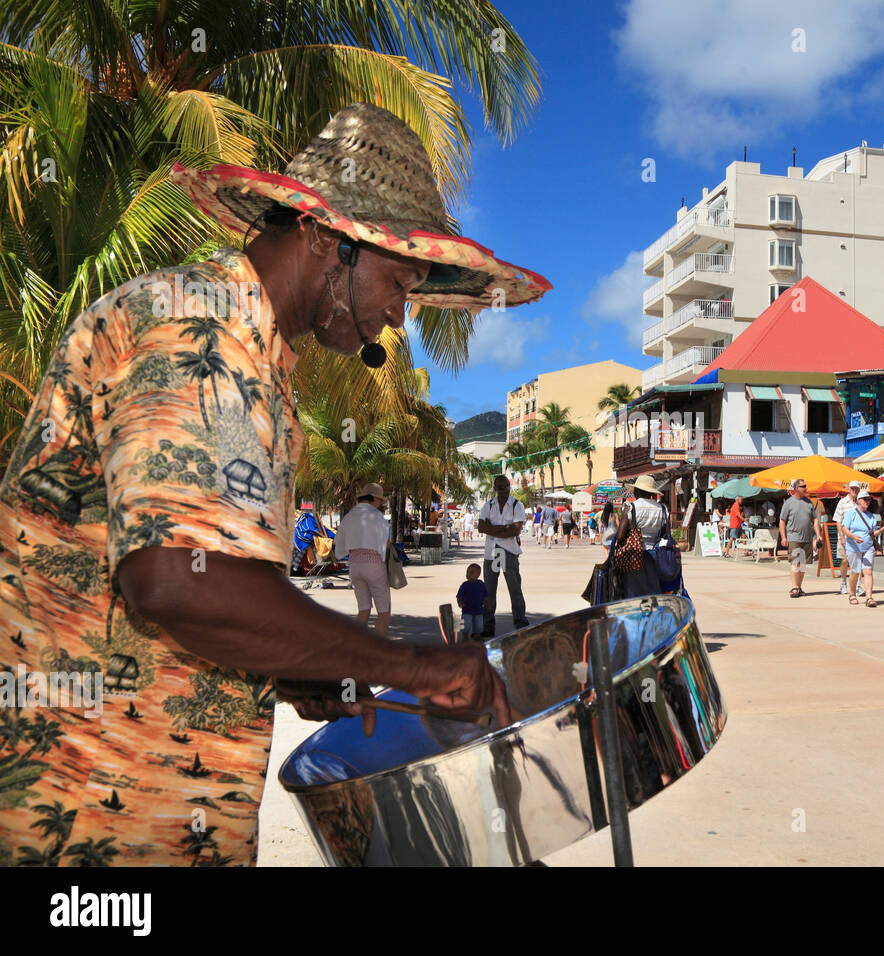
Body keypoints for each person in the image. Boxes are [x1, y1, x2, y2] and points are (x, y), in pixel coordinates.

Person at [0, 104, 524, 865]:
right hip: (82, 819)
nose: (396, 315)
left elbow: (181, 594)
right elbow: (176, 581)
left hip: (161, 810)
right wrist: (412, 667)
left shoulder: (255, 358)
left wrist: (291, 666)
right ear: (327, 239)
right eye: (397, 282)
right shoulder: (196, 329)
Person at [335, 483, 395, 638]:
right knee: (384, 611)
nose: (380, 504)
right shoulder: (376, 516)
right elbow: (386, 543)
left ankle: (357, 645)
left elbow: (339, 543)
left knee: (363, 609)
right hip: (374, 565)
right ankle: (377, 648)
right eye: (380, 500)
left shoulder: (349, 516)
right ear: (373, 498)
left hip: (354, 565)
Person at [478, 474, 529, 637]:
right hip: (492, 551)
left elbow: (515, 530)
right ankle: (488, 625)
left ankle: (520, 621)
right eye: (501, 487)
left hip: (509, 551)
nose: (505, 489)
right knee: (489, 590)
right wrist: (504, 528)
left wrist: (493, 529)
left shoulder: (517, 505)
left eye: (507, 486)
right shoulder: (488, 505)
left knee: (515, 588)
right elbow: (481, 527)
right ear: (495, 489)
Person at [611, 475, 672, 598]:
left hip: (634, 554)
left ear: (637, 491)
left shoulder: (630, 507)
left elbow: (620, 536)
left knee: (633, 592)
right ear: (651, 492)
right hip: (656, 554)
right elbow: (666, 532)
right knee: (653, 590)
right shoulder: (662, 509)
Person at [841, 490, 884, 607]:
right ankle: (852, 594)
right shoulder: (851, 513)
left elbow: (873, 533)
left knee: (868, 571)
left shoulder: (871, 516)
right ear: (859, 500)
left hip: (868, 547)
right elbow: (844, 528)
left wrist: (882, 529)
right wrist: (853, 537)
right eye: (865, 499)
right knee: (855, 571)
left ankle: (869, 597)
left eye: (869, 500)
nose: (867, 502)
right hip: (853, 547)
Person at [779, 479, 819, 598]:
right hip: (794, 537)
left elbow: (815, 519)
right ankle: (794, 587)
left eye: (806, 486)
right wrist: (783, 537)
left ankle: (799, 587)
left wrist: (818, 534)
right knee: (795, 562)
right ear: (796, 488)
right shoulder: (788, 503)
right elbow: (782, 521)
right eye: (803, 486)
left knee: (802, 564)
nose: (805, 488)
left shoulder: (809, 502)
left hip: (807, 538)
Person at [833, 480, 865, 596]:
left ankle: (858, 585)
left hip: (857, 537)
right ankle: (843, 583)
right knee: (845, 560)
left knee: (858, 562)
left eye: (856, 489)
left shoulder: (860, 503)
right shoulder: (842, 502)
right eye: (852, 488)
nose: (854, 490)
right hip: (845, 537)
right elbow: (838, 521)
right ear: (849, 489)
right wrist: (842, 537)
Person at [456, 563, 488, 640]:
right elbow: (459, 595)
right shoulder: (464, 585)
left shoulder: (481, 584)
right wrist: (459, 602)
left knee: (479, 625)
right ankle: (465, 637)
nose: (468, 574)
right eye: (467, 572)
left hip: (478, 609)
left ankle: (477, 636)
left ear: (478, 574)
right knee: (465, 624)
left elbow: (485, 595)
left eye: (471, 572)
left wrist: (488, 603)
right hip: (467, 609)